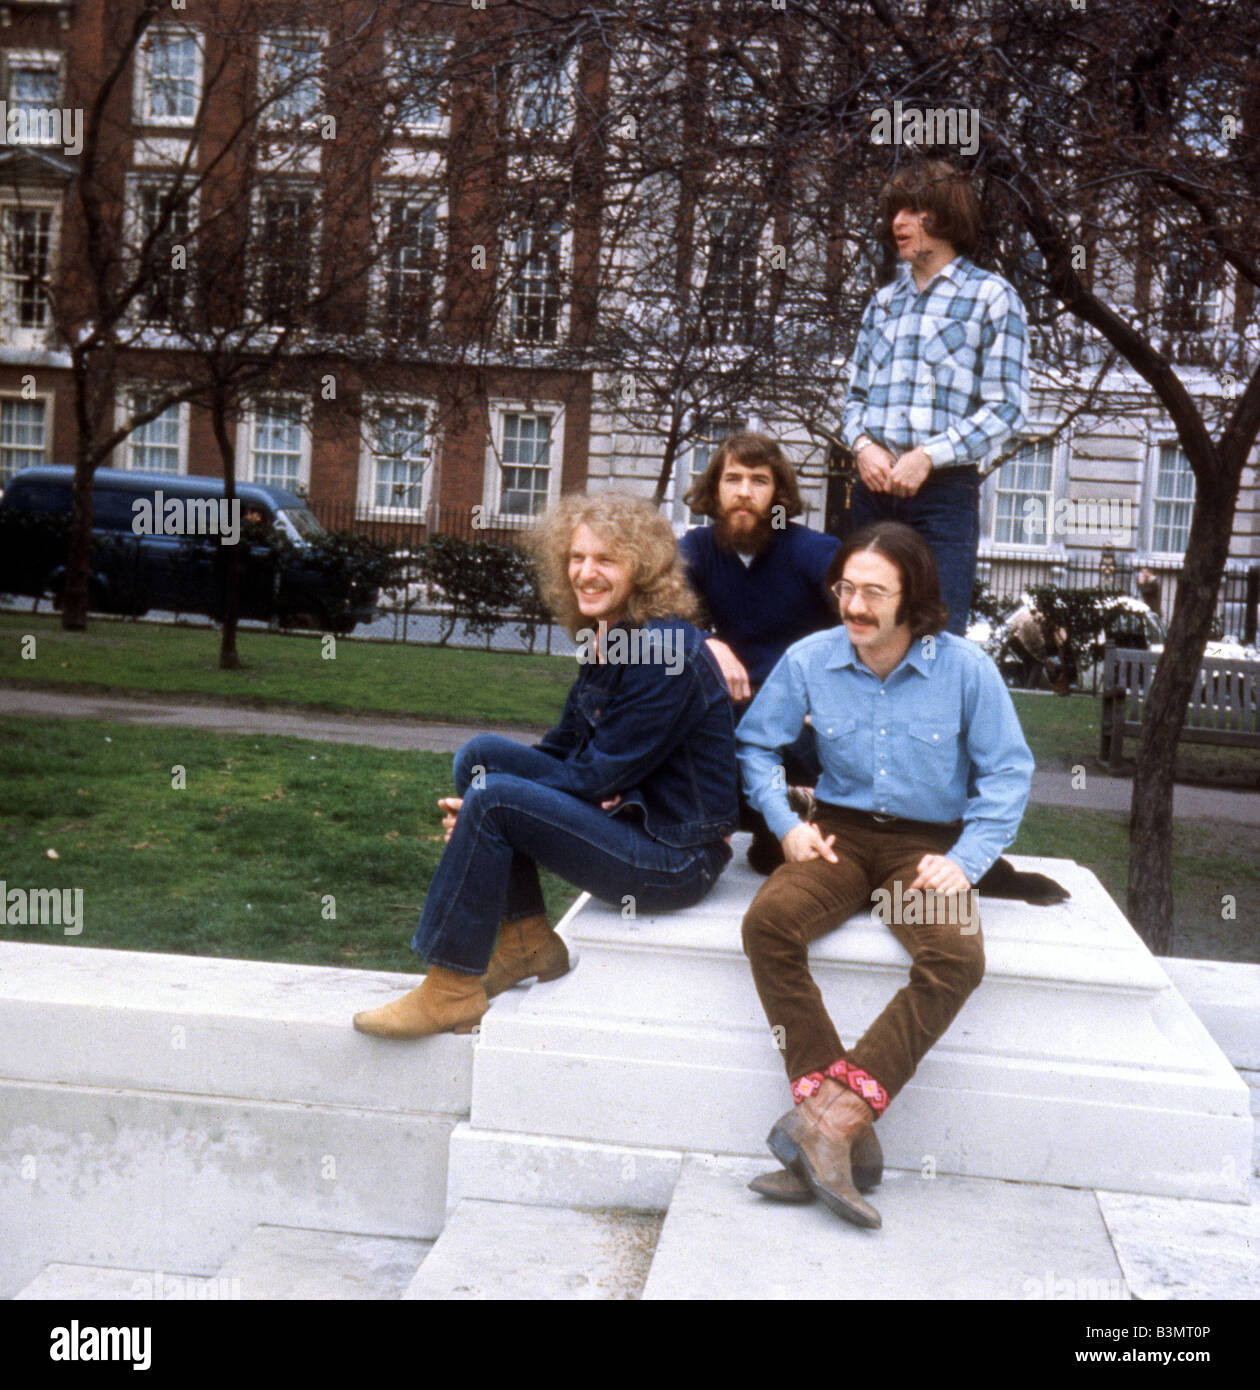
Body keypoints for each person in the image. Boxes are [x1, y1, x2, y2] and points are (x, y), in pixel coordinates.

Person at [353, 492, 739, 1039]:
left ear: (643, 567)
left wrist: (481, 812)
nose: (586, 572)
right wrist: (485, 805)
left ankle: (451, 988)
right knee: (481, 758)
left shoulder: (664, 648)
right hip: (635, 829)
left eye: (606, 560)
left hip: (677, 859)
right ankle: (526, 938)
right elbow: (561, 750)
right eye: (577, 558)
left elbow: (599, 776)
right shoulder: (615, 638)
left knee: (493, 799)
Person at [736, 521, 1034, 1227]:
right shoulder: (810, 658)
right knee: (769, 923)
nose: (856, 606)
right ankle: (831, 1128)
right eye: (847, 588)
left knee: (955, 957)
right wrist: (787, 825)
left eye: (875, 592)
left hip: (924, 851)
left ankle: (832, 1121)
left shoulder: (966, 669)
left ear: (913, 599)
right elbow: (755, 746)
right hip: (836, 839)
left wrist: (965, 861)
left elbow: (1008, 772)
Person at [842, 160, 1029, 636]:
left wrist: (928, 455)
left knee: (936, 634)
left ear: (946, 216)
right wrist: (863, 447)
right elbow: (853, 399)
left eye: (913, 210)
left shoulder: (993, 297)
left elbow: (1008, 406)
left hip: (944, 496)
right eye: (894, 212)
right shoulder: (882, 304)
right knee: (860, 627)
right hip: (873, 494)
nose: (897, 223)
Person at [679, 433, 839, 872]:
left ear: (779, 493)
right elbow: (659, 617)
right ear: (715, 489)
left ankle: (786, 822)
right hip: (735, 714)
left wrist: (828, 696)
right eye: (732, 479)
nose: (744, 492)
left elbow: (865, 626)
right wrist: (707, 641)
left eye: (759, 480)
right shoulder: (698, 548)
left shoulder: (813, 551)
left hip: (803, 728)